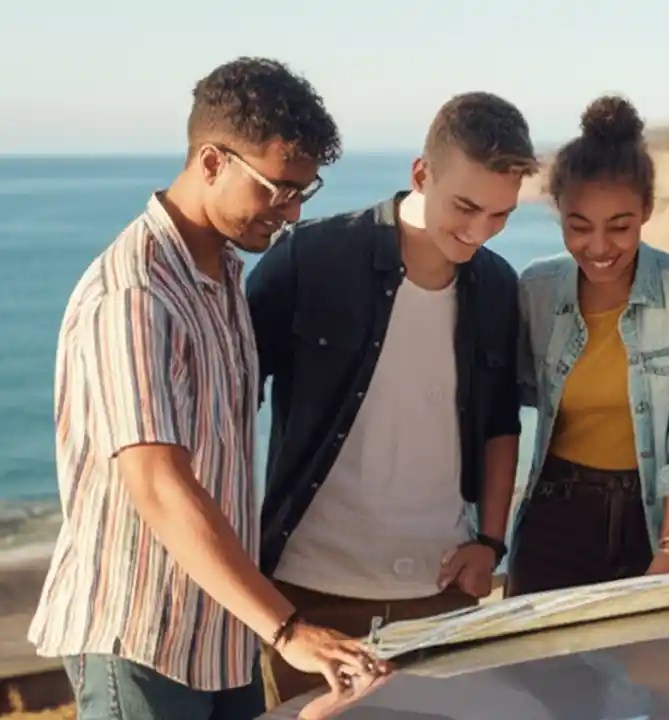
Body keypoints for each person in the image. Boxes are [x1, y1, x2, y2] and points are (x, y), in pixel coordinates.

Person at [26, 57, 383, 720]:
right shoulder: (136, 295)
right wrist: (286, 628)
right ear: (212, 161)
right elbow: (159, 484)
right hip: (140, 640)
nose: (293, 210)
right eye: (278, 187)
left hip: (219, 631)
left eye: (305, 190)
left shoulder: (219, 274)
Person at [244, 91, 537, 707]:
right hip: (312, 592)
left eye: (501, 215)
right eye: (465, 206)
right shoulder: (310, 259)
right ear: (421, 173)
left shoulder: (497, 287)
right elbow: (228, 404)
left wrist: (490, 541)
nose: (479, 231)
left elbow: (499, 426)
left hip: (442, 587)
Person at [508, 96, 669, 595]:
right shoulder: (535, 290)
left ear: (647, 210)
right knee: (542, 672)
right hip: (554, 516)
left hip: (651, 521)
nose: (600, 247)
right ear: (558, 211)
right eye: (579, 227)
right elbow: (497, 412)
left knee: (652, 671)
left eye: (620, 226)